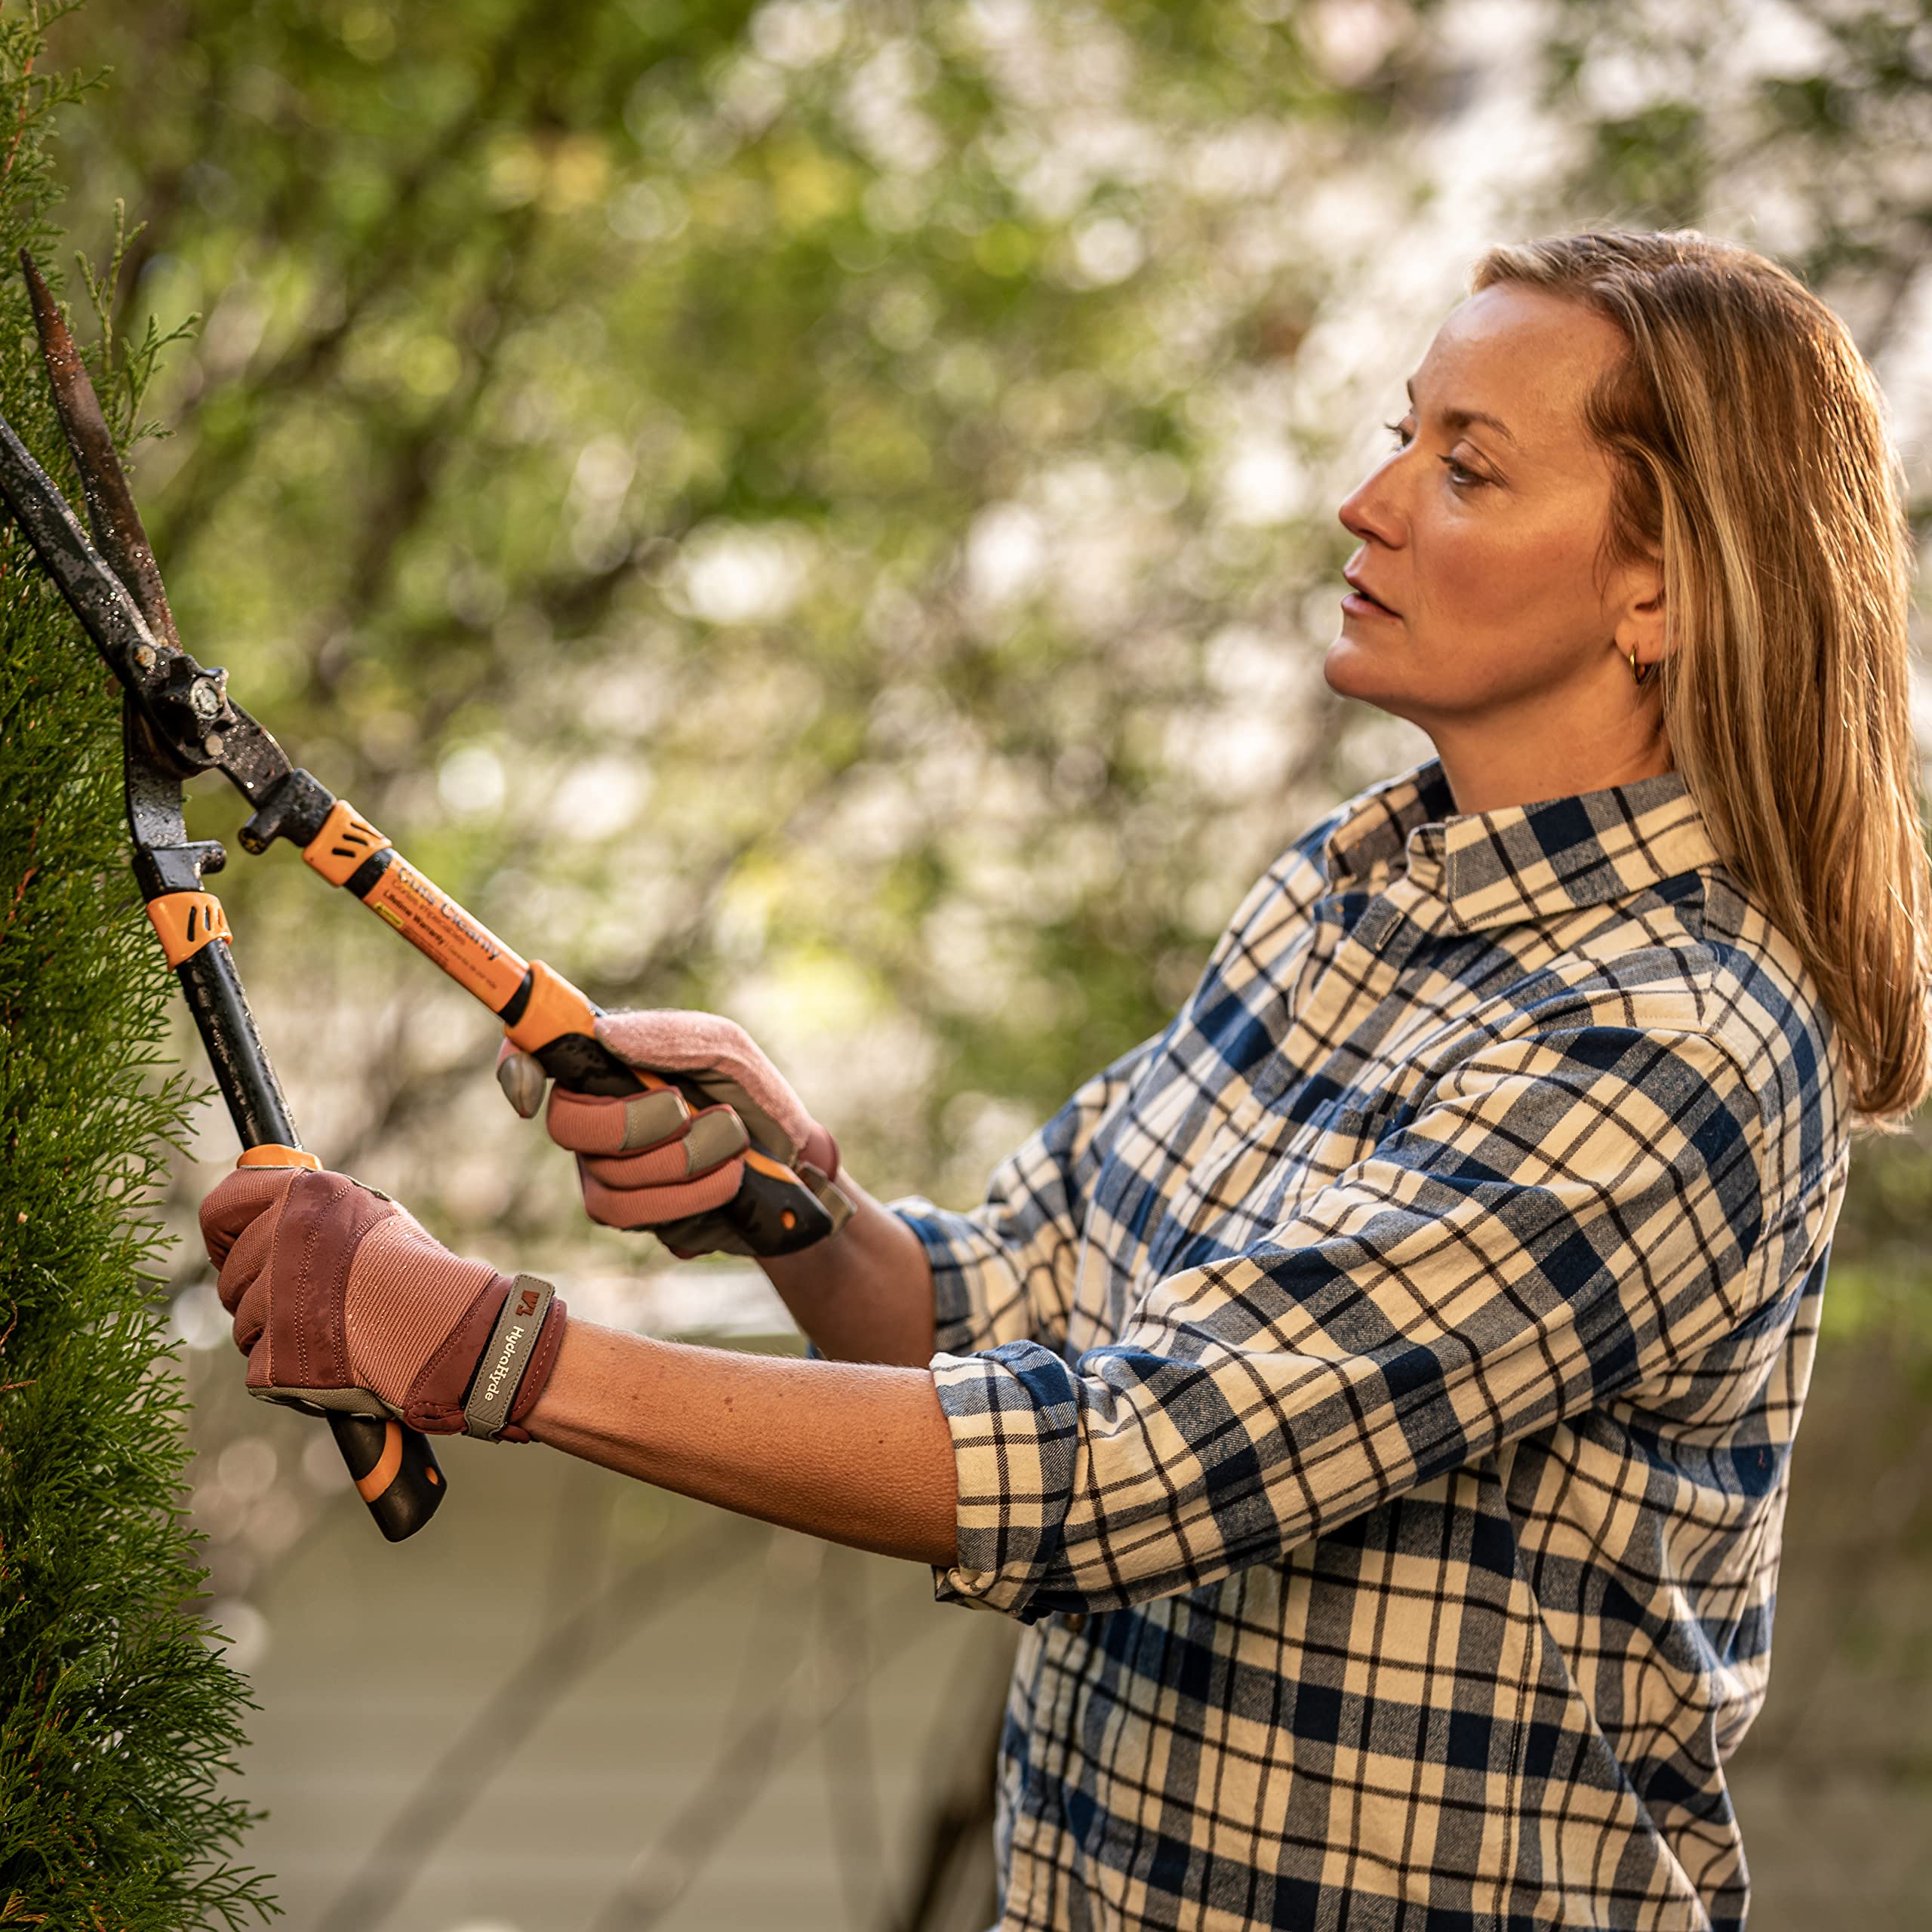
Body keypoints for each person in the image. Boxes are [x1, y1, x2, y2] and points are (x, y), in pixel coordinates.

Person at [201, 230, 1932, 1931]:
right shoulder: (1346, 886)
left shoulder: (1671, 1042)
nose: (1373, 498)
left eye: (1464, 467)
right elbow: (1016, 1304)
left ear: (1660, 591)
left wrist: (489, 1347)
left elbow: (1128, 1461)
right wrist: (785, 1196)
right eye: (1400, 433)